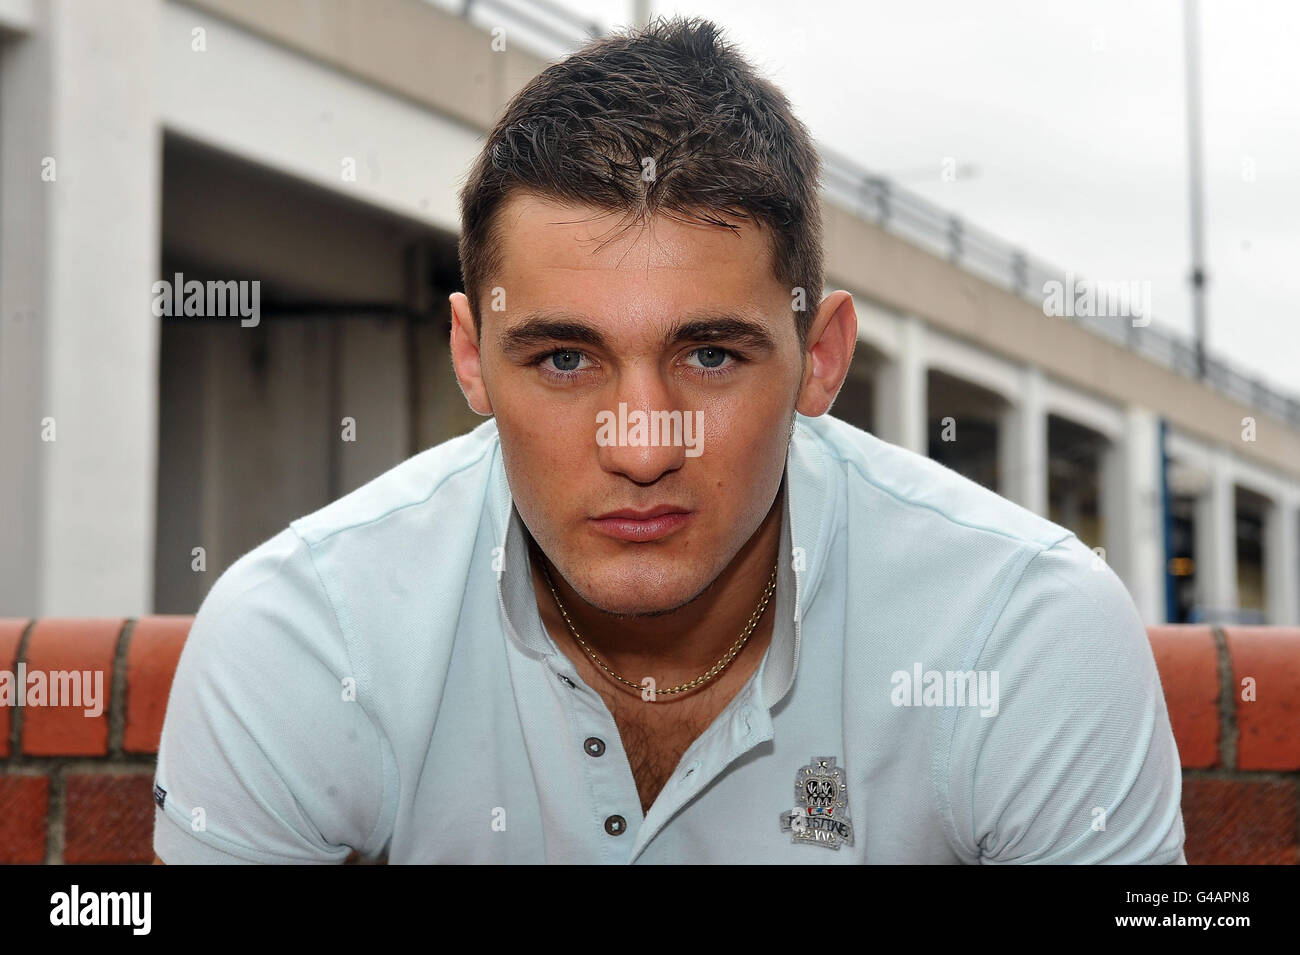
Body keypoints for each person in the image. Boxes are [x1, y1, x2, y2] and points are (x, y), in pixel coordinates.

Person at [152, 16, 1186, 864]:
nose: (641, 444)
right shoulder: (305, 631)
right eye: (565, 359)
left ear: (819, 358)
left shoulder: (1020, 628)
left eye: (709, 356)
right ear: (471, 357)